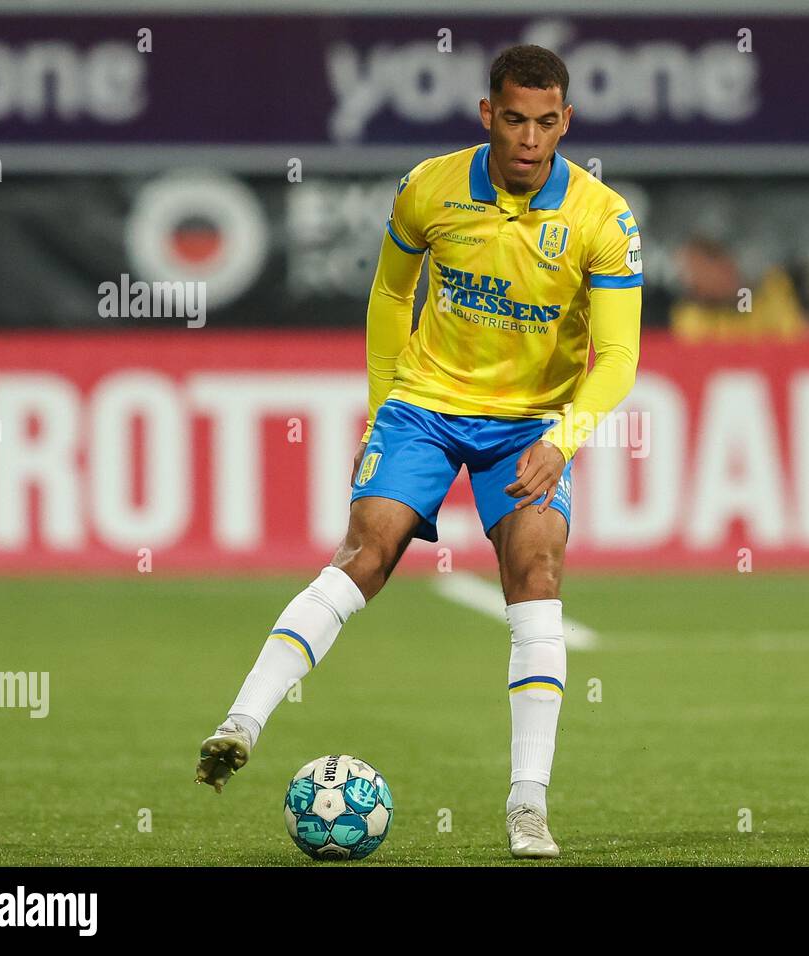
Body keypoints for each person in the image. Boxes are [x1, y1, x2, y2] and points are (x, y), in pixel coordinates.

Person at [193, 44, 642, 860]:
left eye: (547, 123)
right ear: (487, 114)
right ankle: (241, 723)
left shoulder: (603, 218)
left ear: (566, 121)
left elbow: (617, 359)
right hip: (426, 407)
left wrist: (563, 438)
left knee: (537, 572)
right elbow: (391, 294)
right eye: (515, 119)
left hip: (530, 423)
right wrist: (380, 414)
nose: (530, 140)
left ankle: (528, 804)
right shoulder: (428, 189)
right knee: (366, 552)